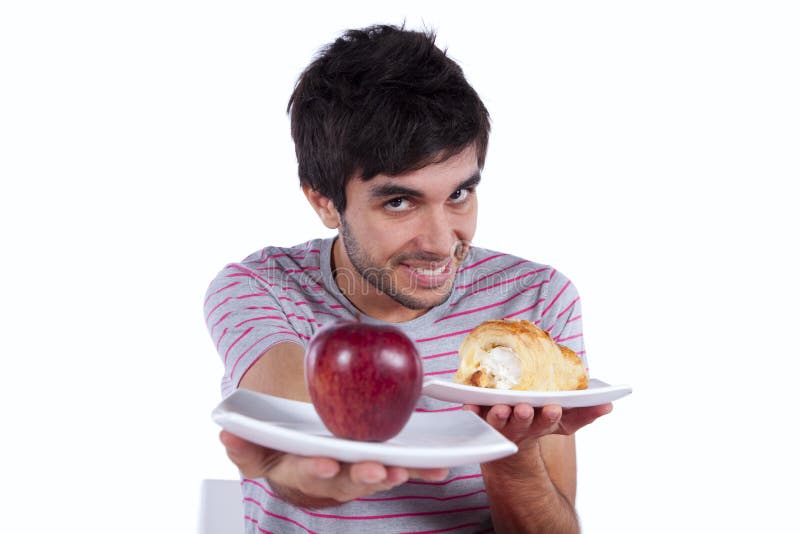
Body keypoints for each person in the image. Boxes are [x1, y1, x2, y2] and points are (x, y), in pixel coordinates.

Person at [204, 24, 612, 533]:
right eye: (400, 202)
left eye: (459, 194)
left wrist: (512, 452)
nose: (441, 242)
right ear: (324, 201)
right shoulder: (260, 289)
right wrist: (321, 474)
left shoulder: (535, 302)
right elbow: (295, 447)